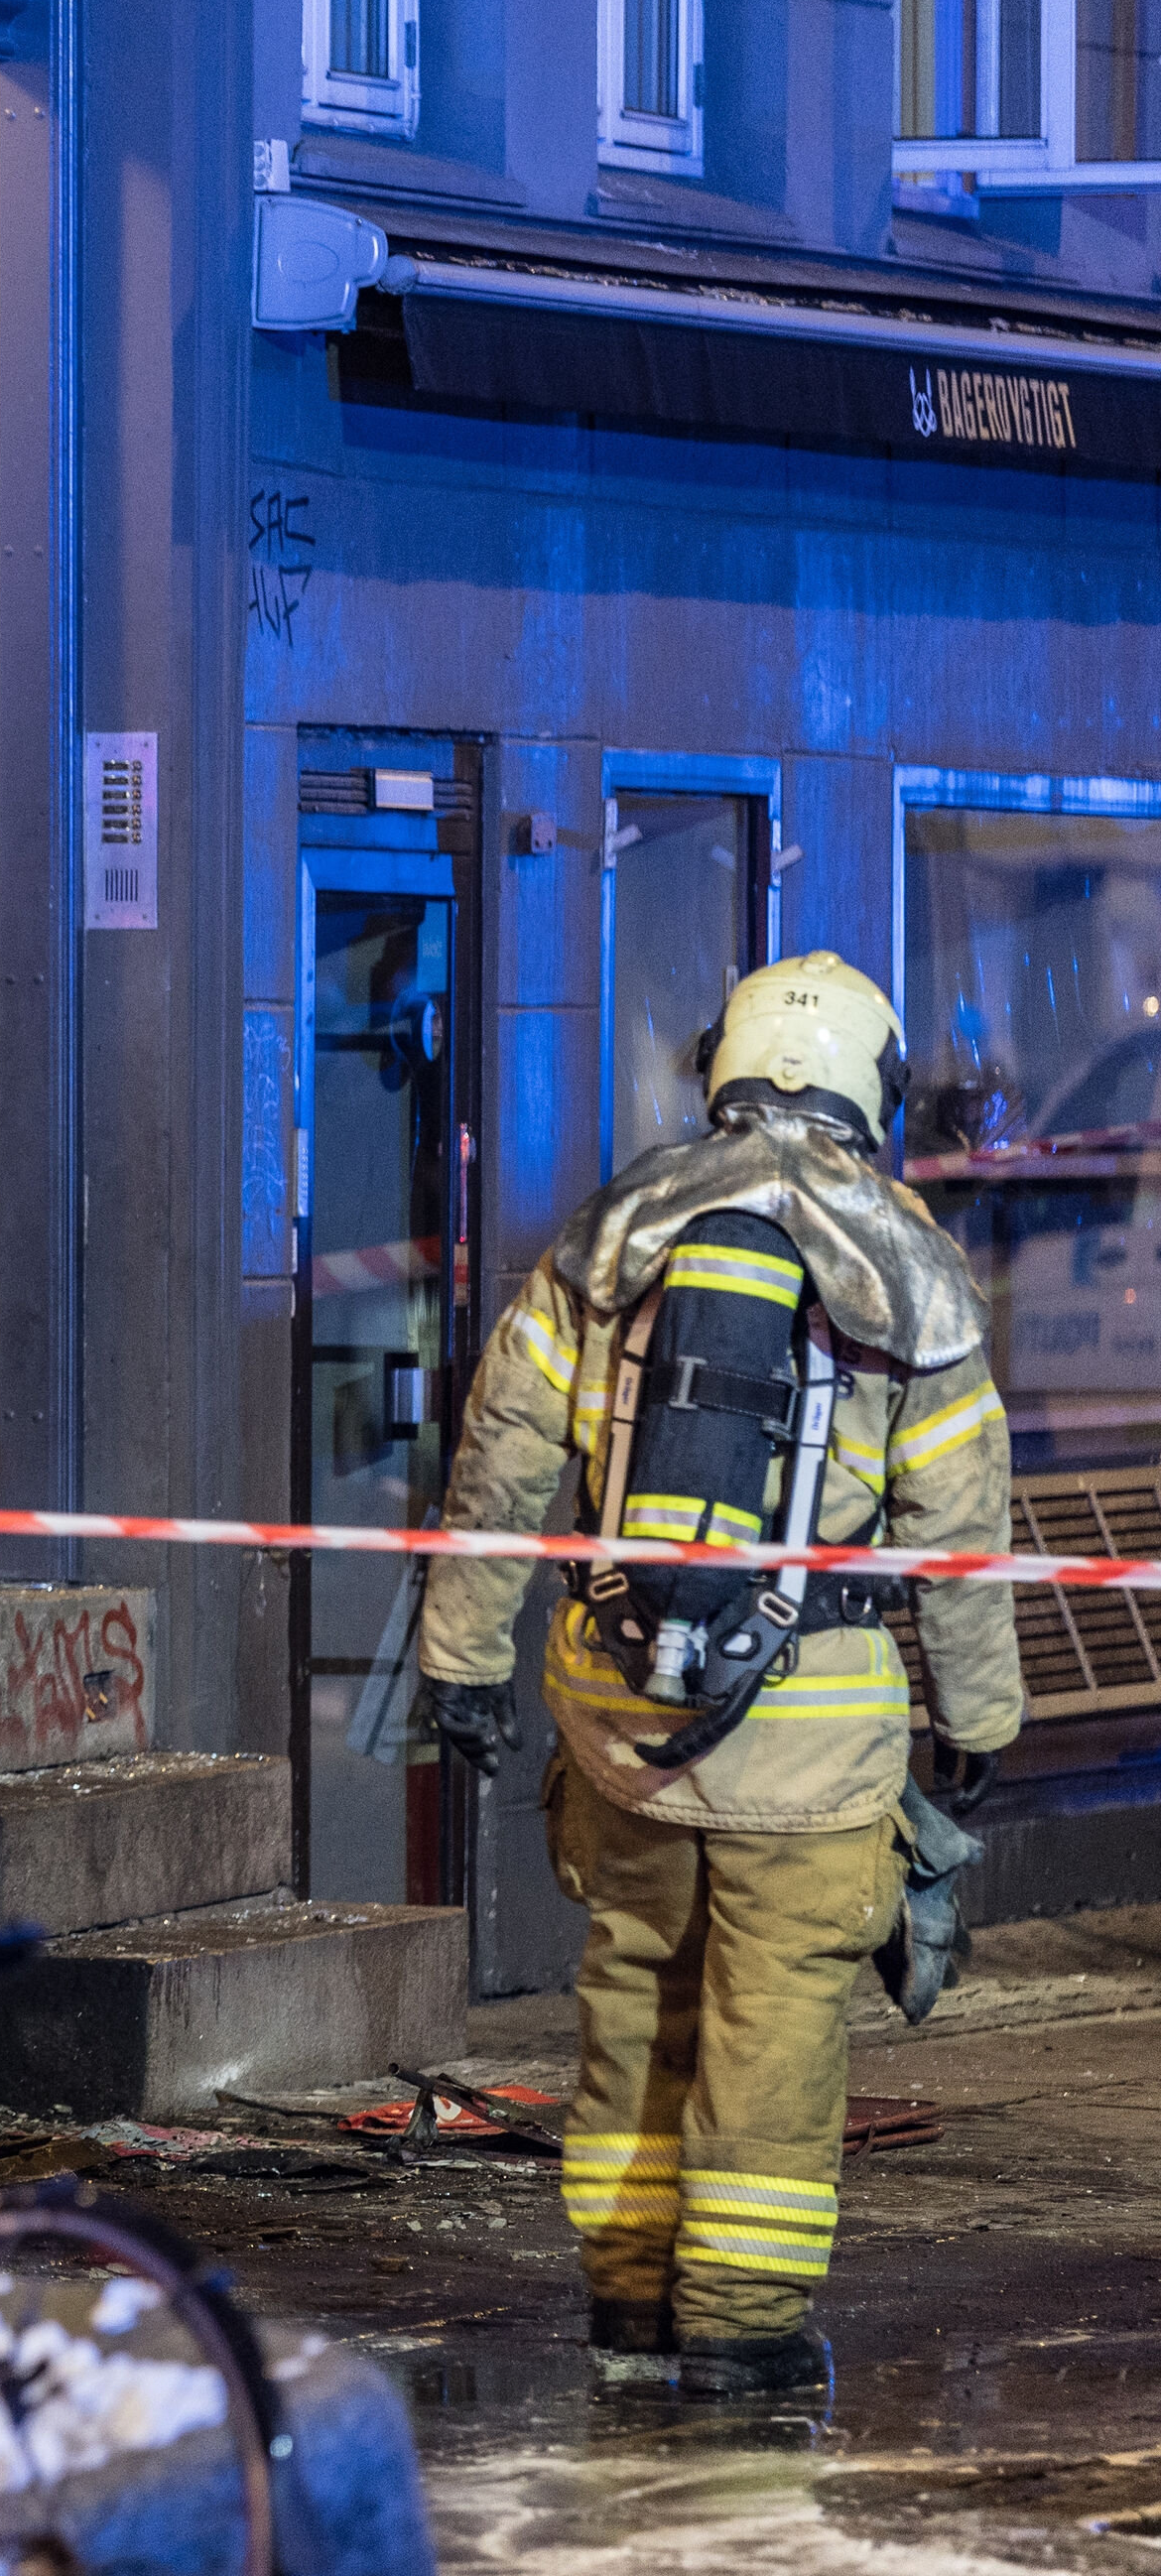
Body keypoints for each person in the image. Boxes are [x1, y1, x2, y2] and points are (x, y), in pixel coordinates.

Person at [415, 952, 1022, 2397]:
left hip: (622, 1721)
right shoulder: (909, 1268)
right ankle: (744, 2329)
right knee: (774, 2031)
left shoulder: (614, 1238)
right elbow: (958, 1528)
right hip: (812, 1758)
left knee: (633, 1999)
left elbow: (500, 1461)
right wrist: (979, 1720)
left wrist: (459, 1660)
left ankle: (627, 2306)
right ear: (871, 1087)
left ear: (729, 1069)